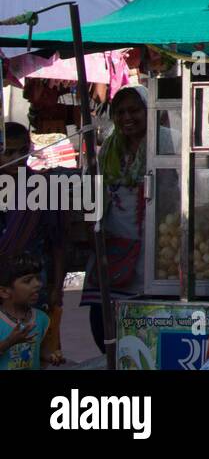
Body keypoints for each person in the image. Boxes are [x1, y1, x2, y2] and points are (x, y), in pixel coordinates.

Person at [82, 85, 149, 355]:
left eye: (134, 110)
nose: (126, 117)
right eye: (119, 112)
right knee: (102, 323)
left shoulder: (166, 141)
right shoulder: (107, 149)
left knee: (143, 319)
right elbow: (92, 195)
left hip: (149, 249)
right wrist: (91, 230)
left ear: (148, 110)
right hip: (110, 245)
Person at [1, 122, 68, 364]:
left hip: (31, 284)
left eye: (23, 151)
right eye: (9, 153)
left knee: (33, 350)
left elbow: (58, 242)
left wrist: (56, 287)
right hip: (4, 287)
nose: (17, 159)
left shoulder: (42, 186)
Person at [0, 253, 51, 370]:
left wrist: (51, 356)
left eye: (38, 278)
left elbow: (40, 352)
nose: (38, 284)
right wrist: (9, 342)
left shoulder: (41, 318)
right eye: (28, 281)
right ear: (4, 292)